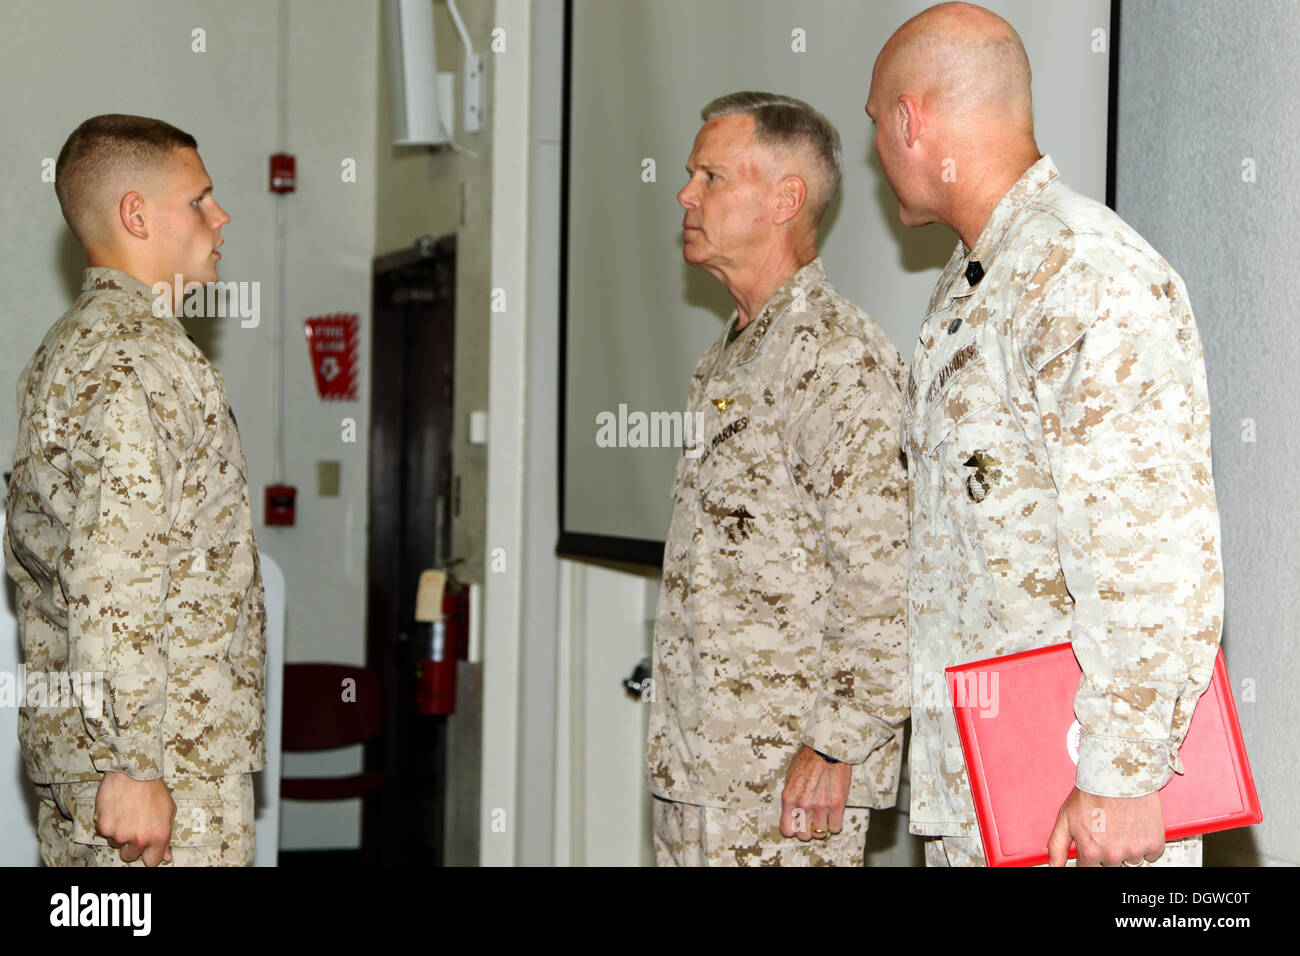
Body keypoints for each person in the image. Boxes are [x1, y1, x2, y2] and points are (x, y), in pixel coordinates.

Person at [866, 3, 1222, 867]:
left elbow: (1153, 552)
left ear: (912, 121)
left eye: (878, 124)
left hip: (1081, 806)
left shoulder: (1080, 271)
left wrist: (1121, 776)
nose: (879, 151)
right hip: (987, 790)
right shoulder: (975, 281)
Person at [645, 92, 909, 866]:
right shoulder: (727, 356)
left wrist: (837, 743)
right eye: (693, 175)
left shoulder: (834, 357)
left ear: (785, 200)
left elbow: (887, 574)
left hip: (786, 790)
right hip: (701, 773)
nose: (687, 195)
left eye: (712, 176)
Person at [3, 114, 265, 866]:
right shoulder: (137, 358)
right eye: (200, 200)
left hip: (91, 761)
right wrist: (135, 766)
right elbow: (113, 569)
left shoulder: (70, 345)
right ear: (135, 215)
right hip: (164, 773)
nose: (221, 218)